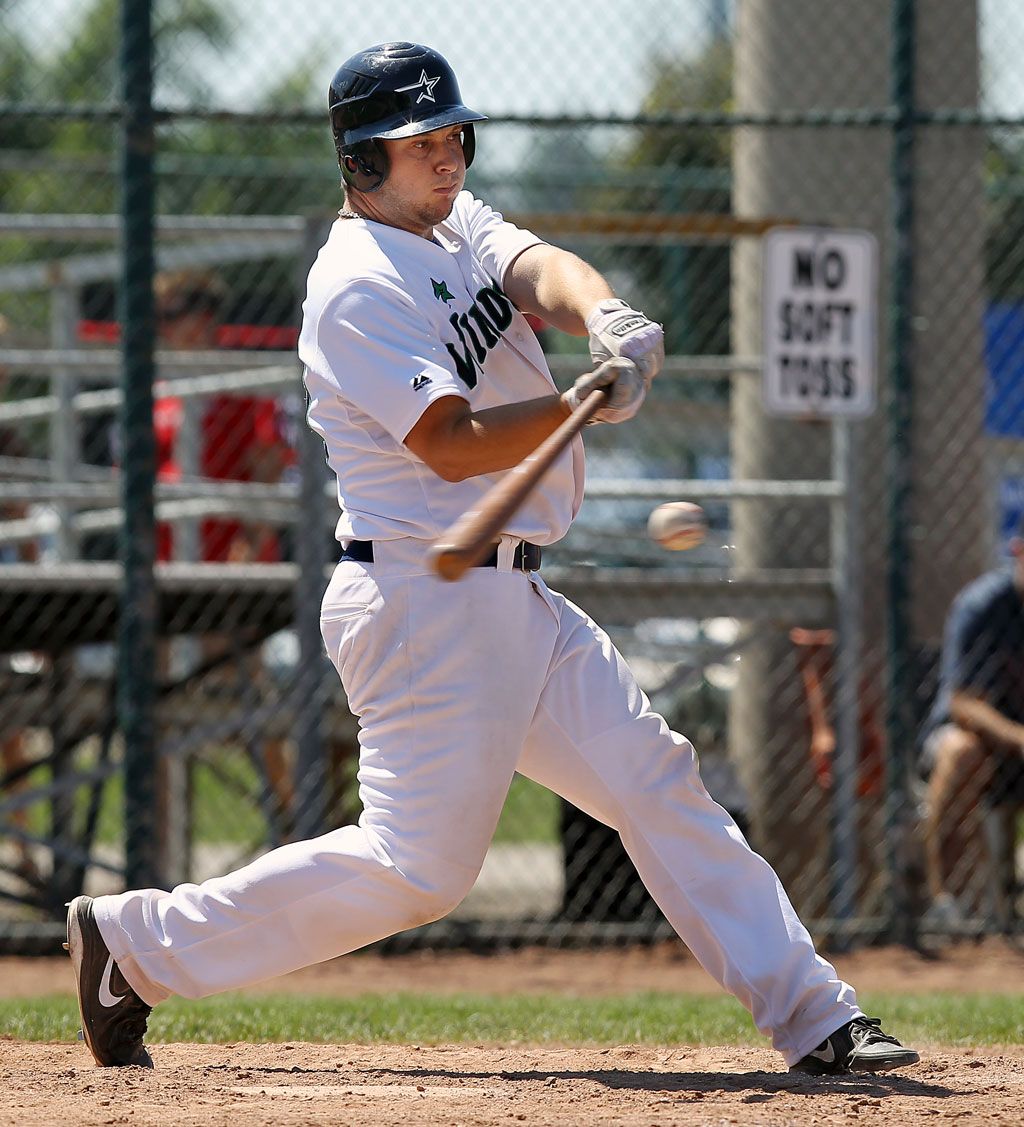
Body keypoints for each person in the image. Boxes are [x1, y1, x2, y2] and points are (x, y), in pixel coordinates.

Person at [65, 41, 919, 1078]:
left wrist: (603, 315)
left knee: (656, 780)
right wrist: (574, 402)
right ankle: (134, 944)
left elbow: (537, 269)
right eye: (418, 144)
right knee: (418, 869)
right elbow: (451, 441)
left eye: (451, 136)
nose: (446, 158)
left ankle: (815, 1015)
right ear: (360, 161)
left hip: (515, 595)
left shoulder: (448, 221)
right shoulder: (354, 285)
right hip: (427, 596)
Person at [920, 522, 1024, 919]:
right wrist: (1019, 738)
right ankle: (946, 901)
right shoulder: (985, 605)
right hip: (973, 740)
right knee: (964, 751)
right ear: (1018, 552)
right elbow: (963, 704)